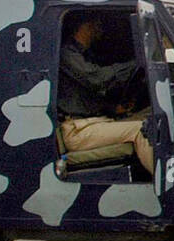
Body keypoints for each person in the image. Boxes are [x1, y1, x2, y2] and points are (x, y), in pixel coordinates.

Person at [56, 16, 154, 174]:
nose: (100, 28)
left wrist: (113, 108)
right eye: (97, 23)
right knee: (140, 130)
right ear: (86, 26)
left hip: (94, 121)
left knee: (152, 115)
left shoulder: (87, 55)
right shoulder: (67, 54)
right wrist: (139, 63)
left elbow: (84, 98)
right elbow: (98, 79)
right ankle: (167, 186)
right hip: (77, 130)